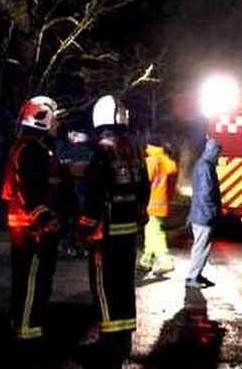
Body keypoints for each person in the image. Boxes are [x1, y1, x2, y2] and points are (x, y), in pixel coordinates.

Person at [78, 95, 149, 358]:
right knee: (123, 283)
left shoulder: (102, 149)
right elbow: (144, 186)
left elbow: (95, 191)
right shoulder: (133, 147)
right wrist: (140, 214)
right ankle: (124, 336)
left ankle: (108, 338)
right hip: (128, 228)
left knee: (103, 284)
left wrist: (86, 225)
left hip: (105, 229)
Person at [0, 96, 63, 341]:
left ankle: (31, 328)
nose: (57, 123)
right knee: (31, 281)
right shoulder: (29, 149)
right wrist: (44, 218)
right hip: (31, 229)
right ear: (41, 118)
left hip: (36, 226)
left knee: (38, 281)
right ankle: (25, 332)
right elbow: (29, 188)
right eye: (54, 118)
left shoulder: (37, 147)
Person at [139, 134, 178, 275]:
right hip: (162, 203)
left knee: (155, 233)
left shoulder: (151, 161)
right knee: (151, 232)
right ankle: (147, 259)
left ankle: (166, 261)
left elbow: (144, 182)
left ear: (149, 145)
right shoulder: (166, 160)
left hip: (151, 204)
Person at [185, 137, 221, 289]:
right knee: (201, 246)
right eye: (218, 153)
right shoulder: (206, 167)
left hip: (200, 213)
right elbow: (207, 193)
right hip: (204, 214)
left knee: (201, 245)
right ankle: (193, 276)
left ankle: (196, 274)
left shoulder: (203, 164)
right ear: (213, 152)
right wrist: (214, 209)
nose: (219, 156)